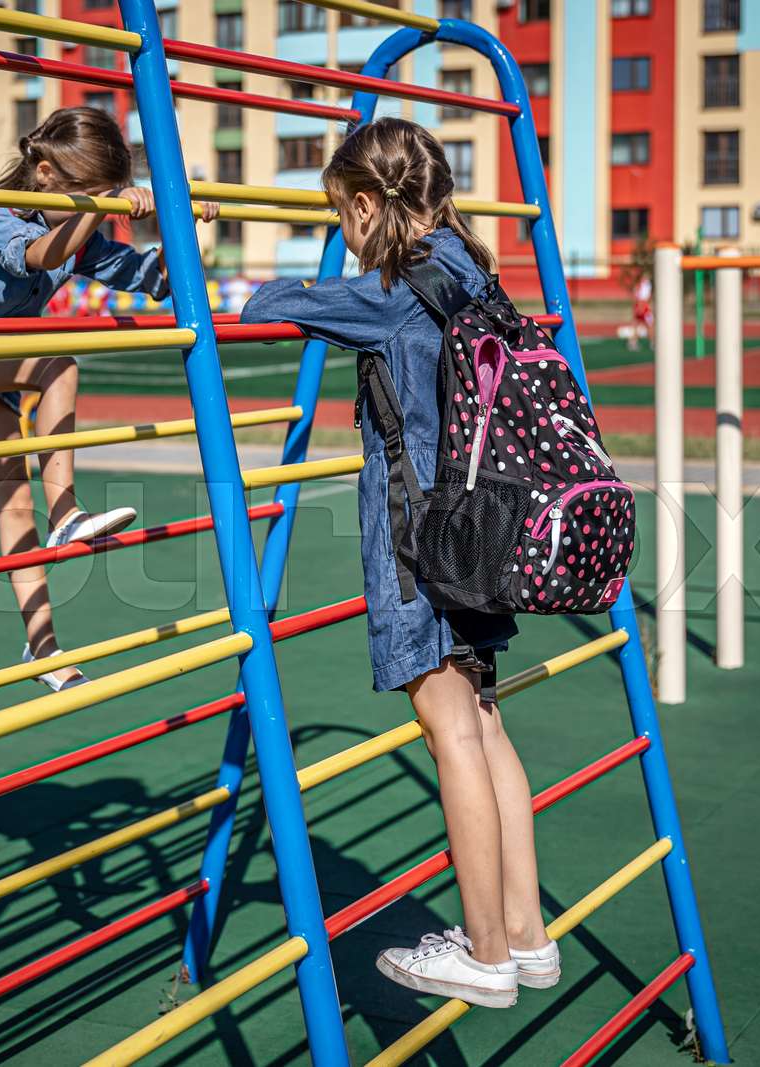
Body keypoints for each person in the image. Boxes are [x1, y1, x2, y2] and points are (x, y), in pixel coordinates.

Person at [240, 118, 558, 1009]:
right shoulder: (471, 267)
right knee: (487, 723)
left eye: (345, 213)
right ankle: (526, 935)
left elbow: (268, 306)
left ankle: (486, 952)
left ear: (375, 205)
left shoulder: (393, 292)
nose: (344, 232)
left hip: (420, 541)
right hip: (484, 525)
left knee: (449, 730)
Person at [0, 107, 216, 690]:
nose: (99, 209)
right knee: (57, 367)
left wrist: (181, 222)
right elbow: (38, 255)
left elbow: (158, 280)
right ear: (43, 173)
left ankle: (42, 649)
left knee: (10, 497)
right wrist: (104, 206)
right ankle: (67, 512)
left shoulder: (77, 232)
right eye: (89, 196)